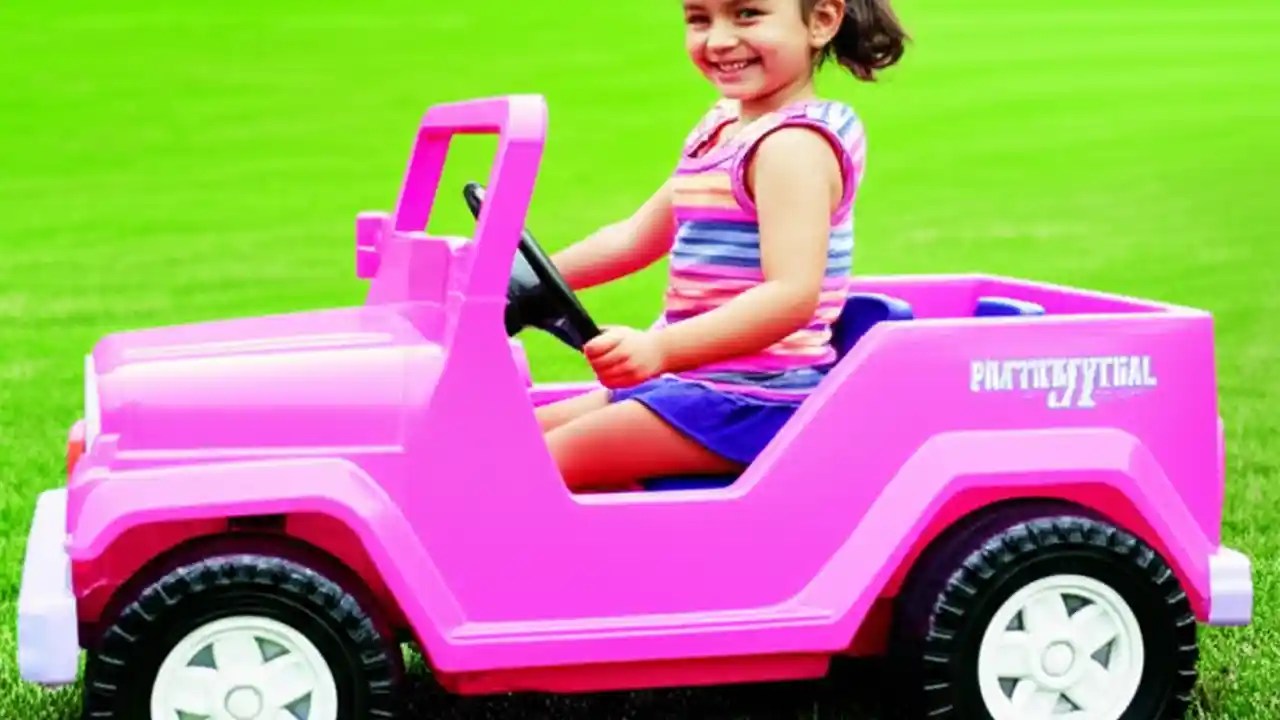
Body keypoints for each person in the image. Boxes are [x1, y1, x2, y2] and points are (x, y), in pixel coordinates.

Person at [539, 0, 907, 492]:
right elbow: (633, 237)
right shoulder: (724, 128)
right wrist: (510, 274)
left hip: (756, 402)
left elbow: (790, 296)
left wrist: (659, 349)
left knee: (531, 467)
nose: (718, 40)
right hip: (693, 388)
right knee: (509, 437)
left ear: (820, 21)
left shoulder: (792, 146)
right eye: (699, 19)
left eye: (747, 14)